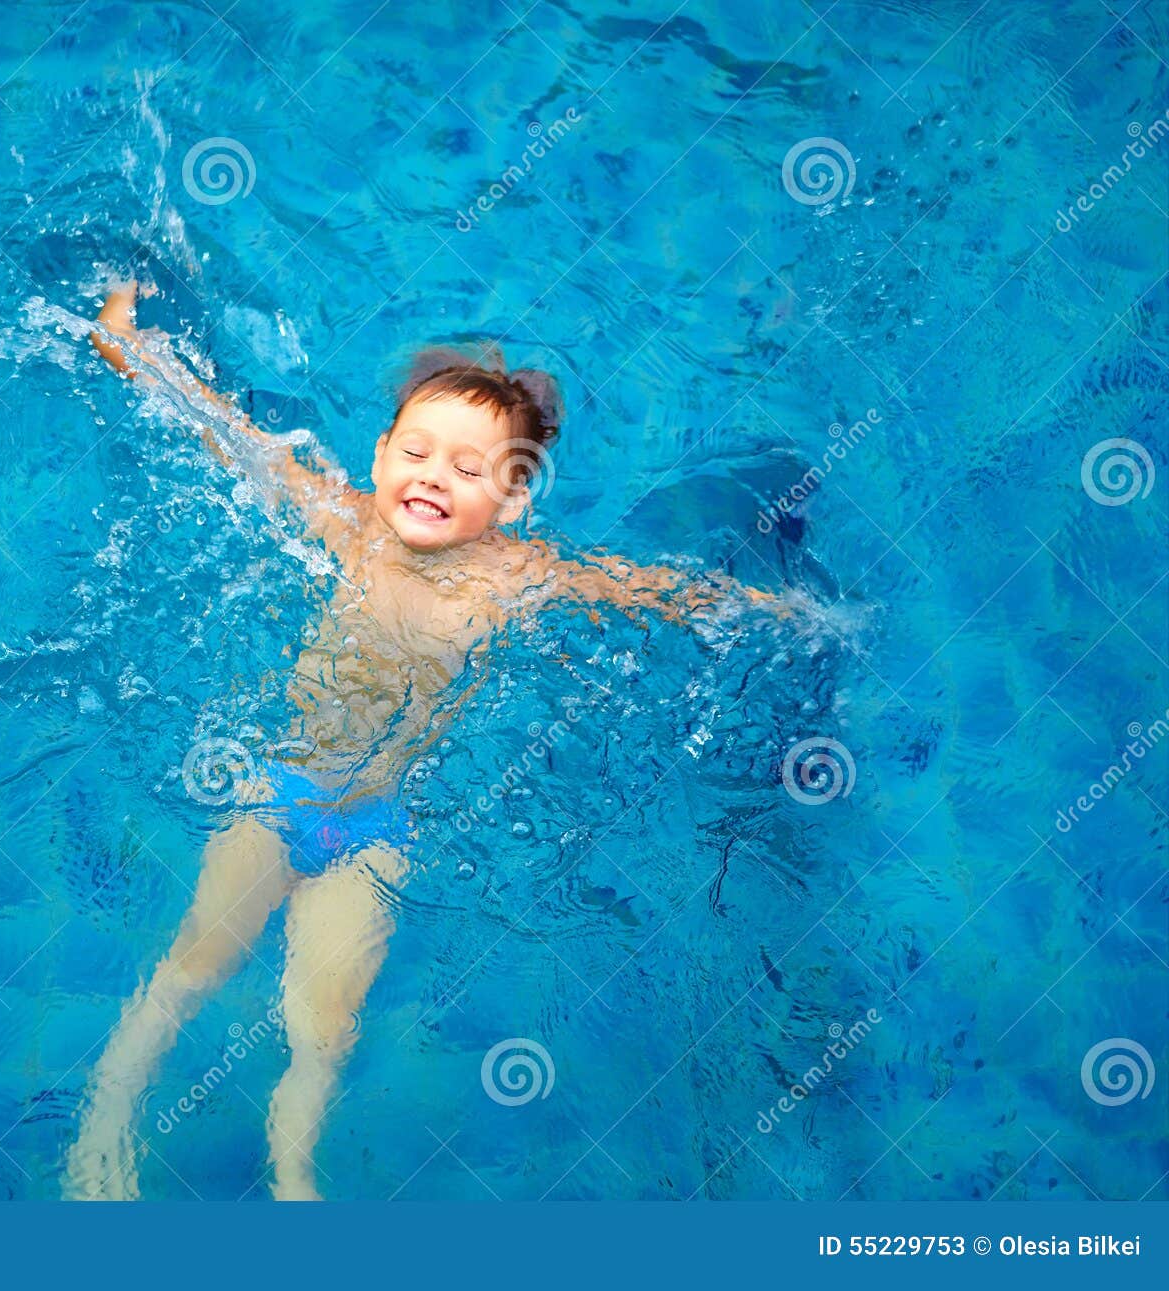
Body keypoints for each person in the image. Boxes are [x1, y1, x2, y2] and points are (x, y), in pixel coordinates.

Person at [64, 280, 781, 1201]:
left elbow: (643, 590)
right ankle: (108, 1122)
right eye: (416, 451)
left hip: (375, 831)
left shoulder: (521, 576)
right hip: (279, 791)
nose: (434, 475)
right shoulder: (345, 523)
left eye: (471, 469)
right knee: (192, 966)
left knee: (325, 1028)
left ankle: (292, 1177)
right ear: (379, 456)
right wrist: (131, 349)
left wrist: (764, 609)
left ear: (515, 499)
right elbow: (226, 434)